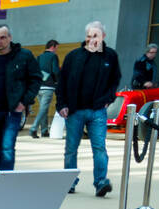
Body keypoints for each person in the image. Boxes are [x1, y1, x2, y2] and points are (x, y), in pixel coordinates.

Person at [57, 21, 120, 196]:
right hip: (74, 111)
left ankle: (101, 182)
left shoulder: (110, 57)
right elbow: (61, 82)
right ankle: (69, 181)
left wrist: (109, 98)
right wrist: (61, 105)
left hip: (97, 111)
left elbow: (115, 80)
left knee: (99, 148)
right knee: (71, 148)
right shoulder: (73, 56)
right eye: (89, 36)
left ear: (103, 37)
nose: (91, 39)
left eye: (95, 36)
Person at [0, 25, 39, 181]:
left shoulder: (24, 56)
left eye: (3, 37)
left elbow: (35, 79)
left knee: (7, 148)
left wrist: (24, 102)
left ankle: (4, 185)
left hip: (12, 111)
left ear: (10, 38)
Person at [29, 39, 60, 138]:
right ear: (53, 46)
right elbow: (55, 71)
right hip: (48, 86)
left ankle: (44, 130)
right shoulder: (53, 56)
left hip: (39, 87)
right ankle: (33, 128)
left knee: (44, 109)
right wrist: (57, 81)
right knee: (43, 109)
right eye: (56, 48)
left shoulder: (39, 57)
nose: (56, 50)